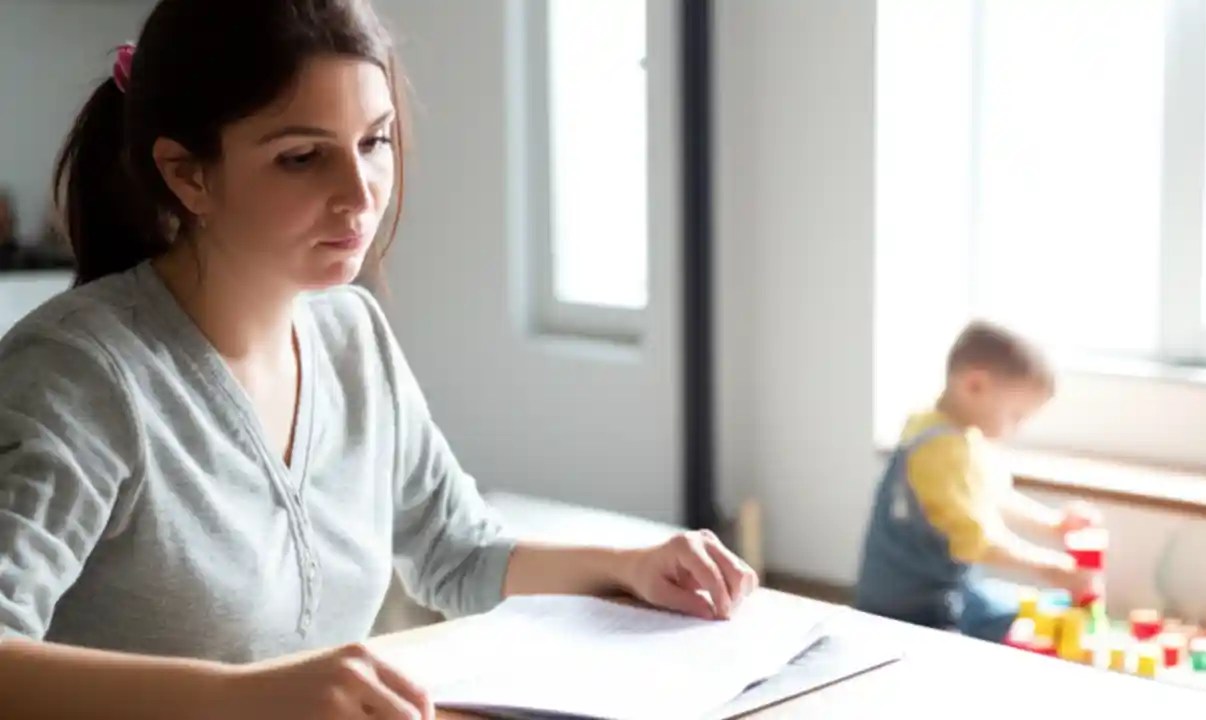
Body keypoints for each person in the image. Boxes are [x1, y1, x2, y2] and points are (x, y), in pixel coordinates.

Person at [0, 2, 757, 718]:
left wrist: (629, 567)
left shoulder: (352, 336)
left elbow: (457, 552)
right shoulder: (78, 375)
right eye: (303, 157)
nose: (360, 194)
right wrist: (243, 701)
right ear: (188, 173)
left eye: (375, 141)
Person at [854, 320, 1102, 643]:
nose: (1016, 428)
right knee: (1004, 628)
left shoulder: (950, 432)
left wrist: (1054, 524)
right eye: (1015, 415)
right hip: (911, 605)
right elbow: (977, 540)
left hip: (941, 585)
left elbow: (992, 494)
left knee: (1010, 608)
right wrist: (1051, 569)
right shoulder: (938, 451)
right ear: (975, 385)